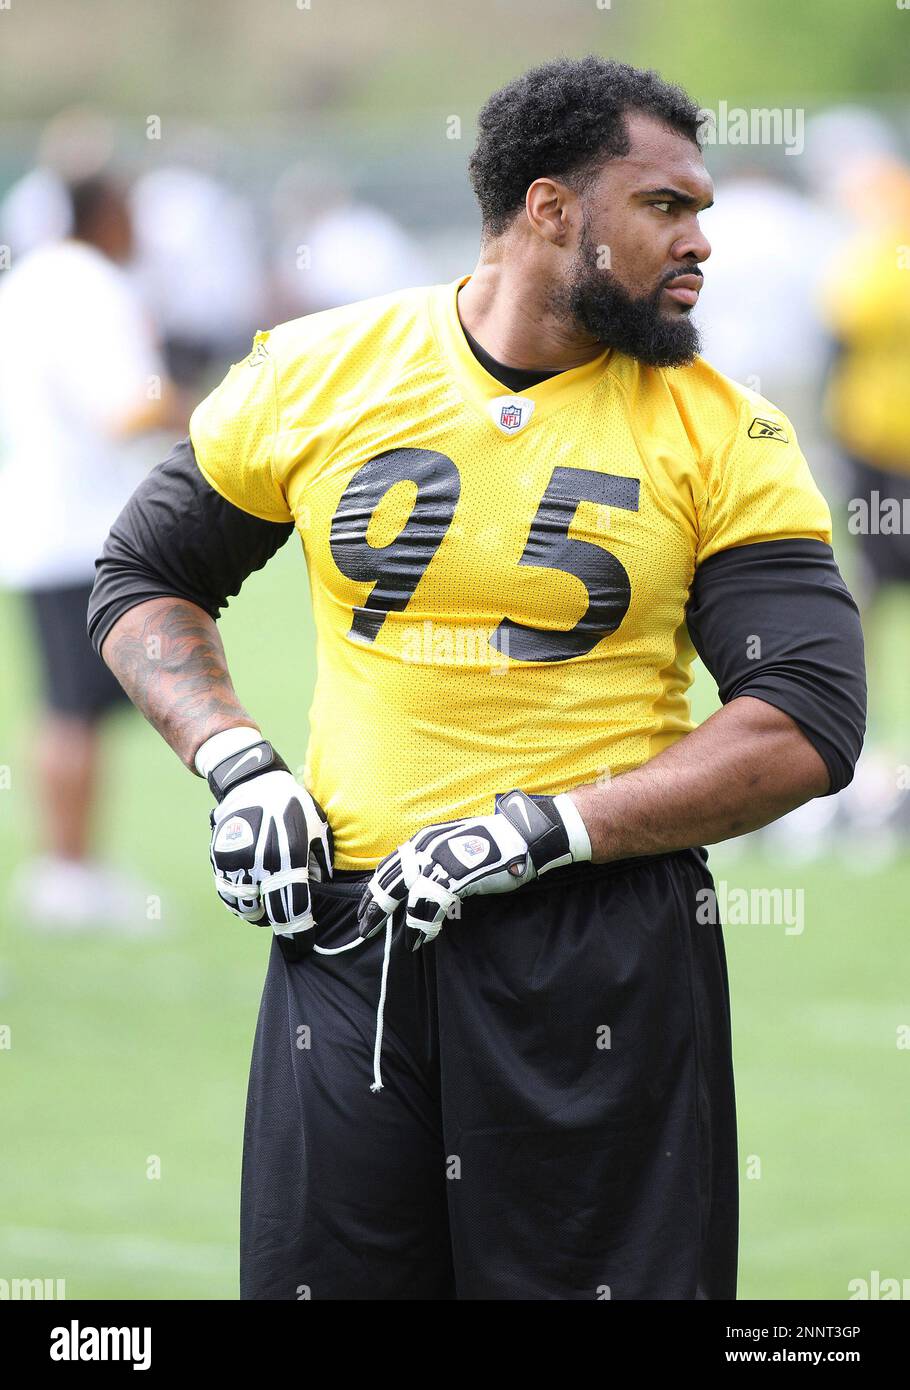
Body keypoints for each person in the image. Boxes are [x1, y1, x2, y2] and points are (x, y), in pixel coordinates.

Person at [88, 57, 866, 1299]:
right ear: (551, 209)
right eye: (666, 206)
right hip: (349, 938)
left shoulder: (726, 429)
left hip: (599, 949)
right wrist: (236, 765)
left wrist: (551, 827)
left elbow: (805, 719)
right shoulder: (317, 370)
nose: (702, 241)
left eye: (702, 208)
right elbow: (142, 575)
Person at [0, 175, 185, 929]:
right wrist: (210, 411)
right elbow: (125, 408)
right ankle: (69, 873)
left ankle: (68, 868)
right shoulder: (95, 288)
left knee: (66, 706)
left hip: (40, 519)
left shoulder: (29, 282)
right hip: (81, 528)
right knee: (75, 709)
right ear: (104, 214)